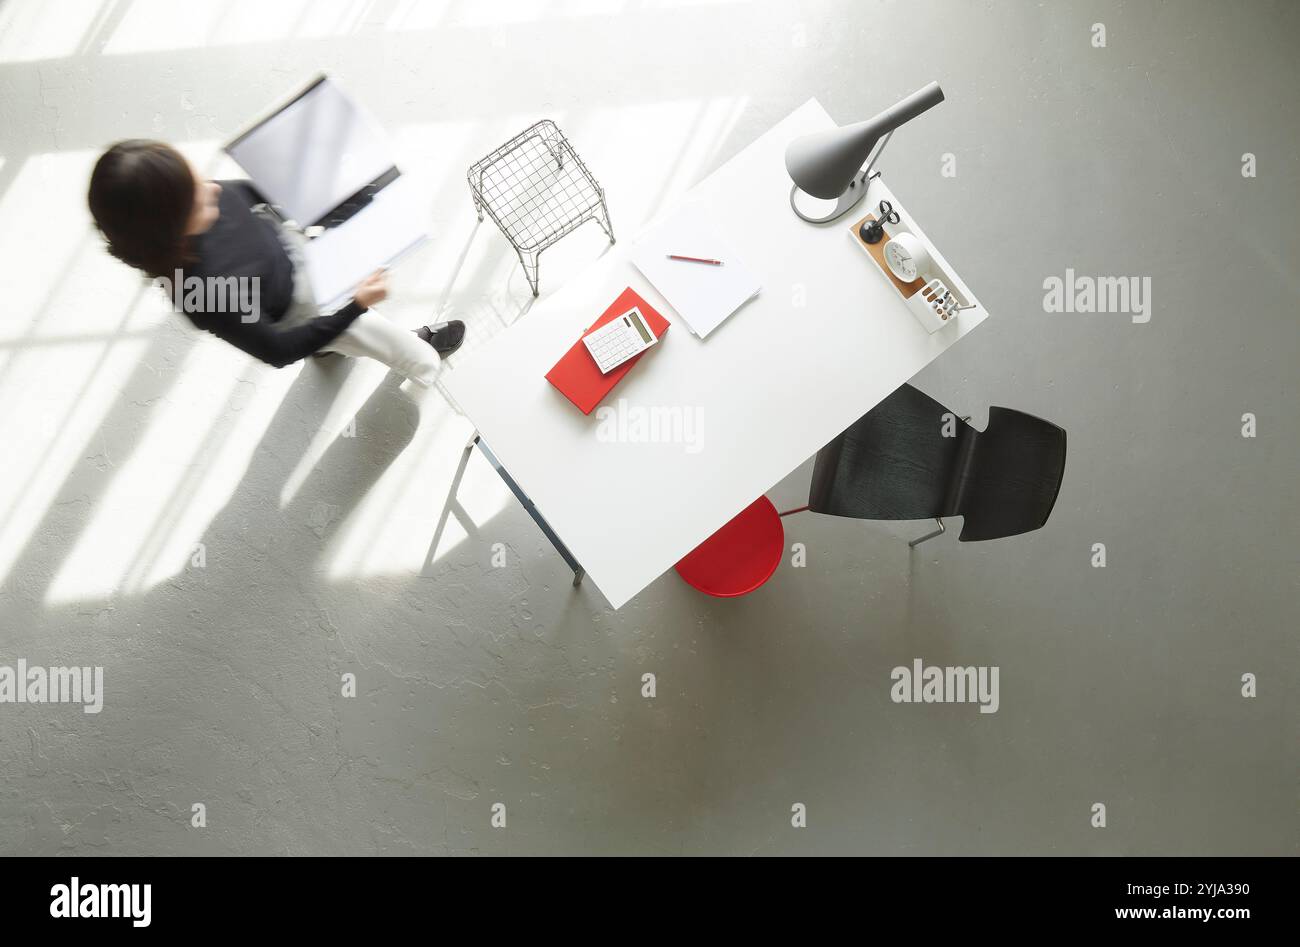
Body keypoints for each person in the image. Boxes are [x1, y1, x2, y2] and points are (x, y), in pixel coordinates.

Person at [87, 139, 464, 383]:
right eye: (195, 198)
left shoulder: (215, 201)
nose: (214, 188)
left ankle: (324, 345)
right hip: (309, 311)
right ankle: (415, 353)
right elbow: (278, 350)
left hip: (303, 260)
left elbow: (262, 200)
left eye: (198, 178)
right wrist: (356, 306)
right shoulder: (201, 293)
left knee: (330, 332)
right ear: (167, 228)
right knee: (420, 360)